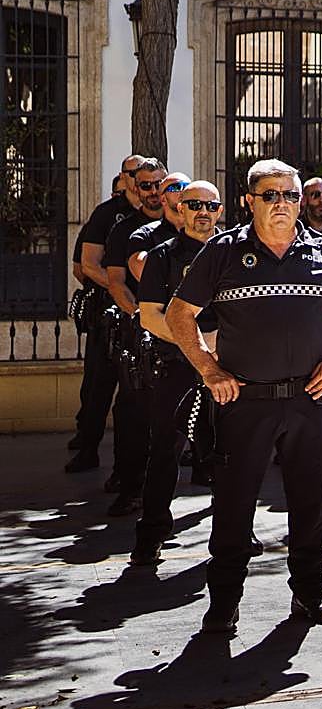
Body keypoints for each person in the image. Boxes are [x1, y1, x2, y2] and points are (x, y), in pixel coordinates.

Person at [167, 159, 322, 635]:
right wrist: (209, 369)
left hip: (308, 402)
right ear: (249, 201)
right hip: (245, 404)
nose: (283, 204)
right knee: (234, 506)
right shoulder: (223, 252)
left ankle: (309, 592)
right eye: (271, 195)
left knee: (310, 504)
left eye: (291, 195)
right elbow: (179, 314)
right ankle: (224, 604)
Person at [130, 180, 223, 565]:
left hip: (230, 368)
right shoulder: (162, 256)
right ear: (179, 210)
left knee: (231, 454)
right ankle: (150, 536)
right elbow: (150, 317)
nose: (203, 212)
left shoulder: (237, 252)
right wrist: (201, 350)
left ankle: (236, 531)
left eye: (210, 205)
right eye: (195, 204)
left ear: (220, 210)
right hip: (178, 368)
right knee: (166, 451)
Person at [99, 162, 177, 514]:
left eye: (161, 184)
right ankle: (130, 487)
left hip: (190, 337)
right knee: (134, 413)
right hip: (141, 336)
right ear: (134, 186)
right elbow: (117, 281)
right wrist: (140, 317)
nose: (155, 191)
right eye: (146, 185)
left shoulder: (196, 231)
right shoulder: (127, 230)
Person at [68, 154, 148, 473]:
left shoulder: (162, 215)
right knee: (98, 387)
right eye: (134, 176)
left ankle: (131, 470)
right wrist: (120, 286)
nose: (144, 185)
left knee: (137, 397)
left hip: (148, 318)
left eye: (152, 181)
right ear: (125, 179)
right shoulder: (107, 215)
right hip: (110, 315)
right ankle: (87, 448)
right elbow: (87, 265)